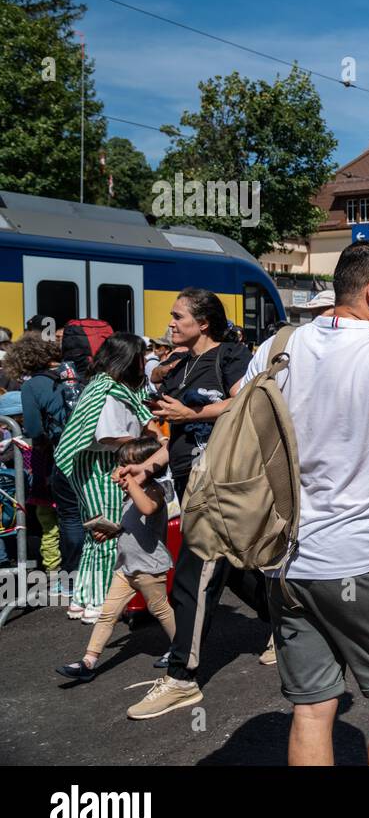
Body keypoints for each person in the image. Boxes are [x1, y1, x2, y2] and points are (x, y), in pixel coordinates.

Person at [172, 241, 369, 761]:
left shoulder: (278, 347)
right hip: (364, 557)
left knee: (313, 706)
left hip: (286, 561)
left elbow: (243, 422)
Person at [122, 290, 268, 720]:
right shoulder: (180, 366)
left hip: (221, 484)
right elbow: (177, 436)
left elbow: (246, 404)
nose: (170, 323)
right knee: (237, 569)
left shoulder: (232, 355)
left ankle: (182, 677)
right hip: (190, 483)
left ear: (204, 322)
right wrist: (149, 466)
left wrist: (194, 414)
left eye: (178, 316)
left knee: (191, 574)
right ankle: (290, 624)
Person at [53, 333, 157, 625]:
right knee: (111, 533)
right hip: (104, 467)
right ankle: (100, 603)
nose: (143, 362)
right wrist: (145, 438)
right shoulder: (113, 390)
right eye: (140, 356)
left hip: (83, 467)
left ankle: (82, 600)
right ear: (128, 358)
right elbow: (108, 434)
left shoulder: (97, 384)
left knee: (95, 535)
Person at [56, 436, 176, 683]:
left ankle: (183, 648)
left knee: (160, 609)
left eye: (127, 466)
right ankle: (89, 661)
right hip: (126, 567)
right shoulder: (130, 495)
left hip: (149, 566)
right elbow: (133, 525)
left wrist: (131, 481)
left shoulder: (155, 490)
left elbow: (147, 509)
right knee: (107, 614)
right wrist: (113, 530)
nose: (121, 472)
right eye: (121, 465)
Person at [5, 335, 73, 573]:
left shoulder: (31, 386)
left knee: (48, 521)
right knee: (74, 516)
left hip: (52, 458)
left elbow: (34, 429)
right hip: (82, 453)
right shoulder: (69, 376)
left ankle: (55, 571)